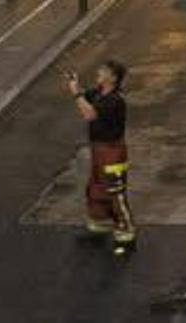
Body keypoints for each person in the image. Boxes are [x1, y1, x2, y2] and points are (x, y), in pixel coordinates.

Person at [67, 60, 135, 256]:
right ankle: (99, 224)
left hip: (112, 152)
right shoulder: (99, 93)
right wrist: (76, 85)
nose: (98, 72)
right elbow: (85, 97)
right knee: (96, 187)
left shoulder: (114, 101)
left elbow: (89, 114)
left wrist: (75, 92)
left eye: (103, 71)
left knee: (114, 192)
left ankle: (126, 232)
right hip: (99, 149)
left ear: (112, 78)